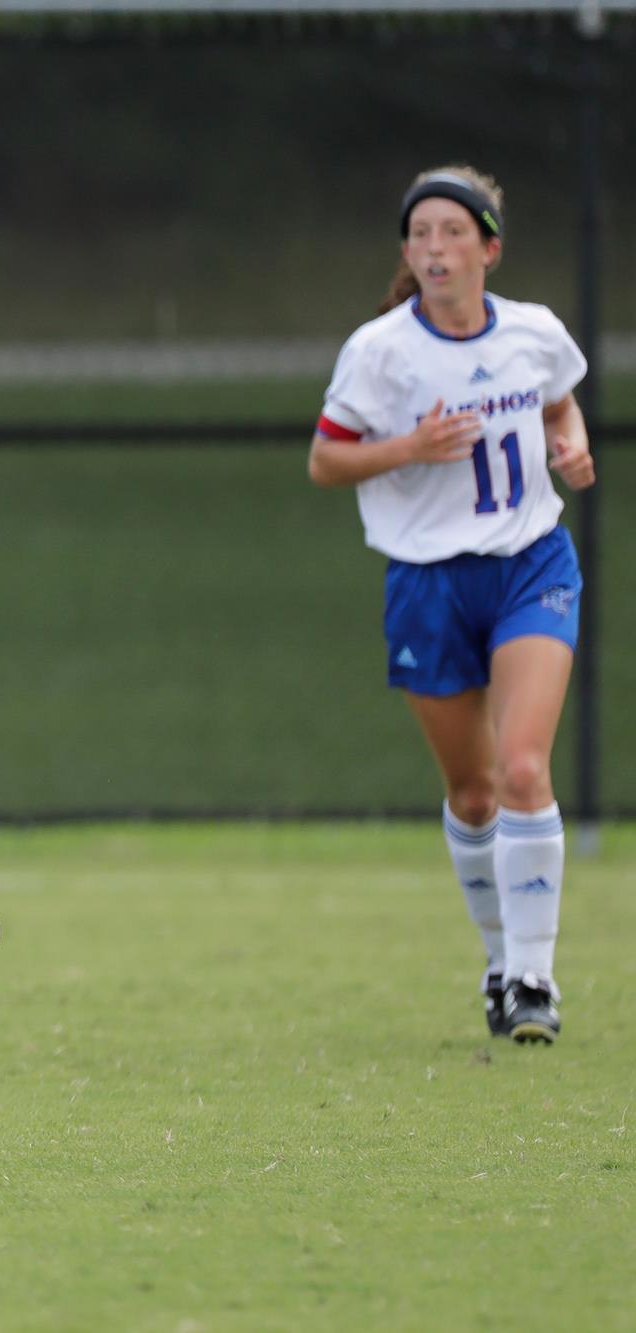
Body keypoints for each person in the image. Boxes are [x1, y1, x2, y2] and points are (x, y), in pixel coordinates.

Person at [308, 166, 594, 1045]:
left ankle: (535, 979)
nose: (434, 248)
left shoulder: (534, 332)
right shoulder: (382, 350)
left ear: (489, 249)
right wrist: (412, 446)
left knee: (523, 771)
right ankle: (500, 961)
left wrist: (571, 443)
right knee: (473, 795)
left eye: (453, 231)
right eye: (420, 233)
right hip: (428, 581)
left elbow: (560, 404)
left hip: (530, 565)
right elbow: (326, 460)